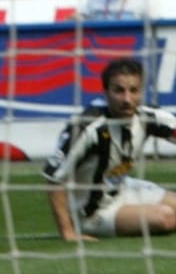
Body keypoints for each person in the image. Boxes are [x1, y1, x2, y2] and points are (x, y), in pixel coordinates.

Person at [44, 58, 176, 241]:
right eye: (119, 91)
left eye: (134, 90)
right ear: (106, 92)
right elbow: (54, 179)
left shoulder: (147, 117)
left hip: (122, 188)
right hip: (92, 210)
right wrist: (68, 233)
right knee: (166, 217)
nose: (127, 99)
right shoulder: (87, 128)